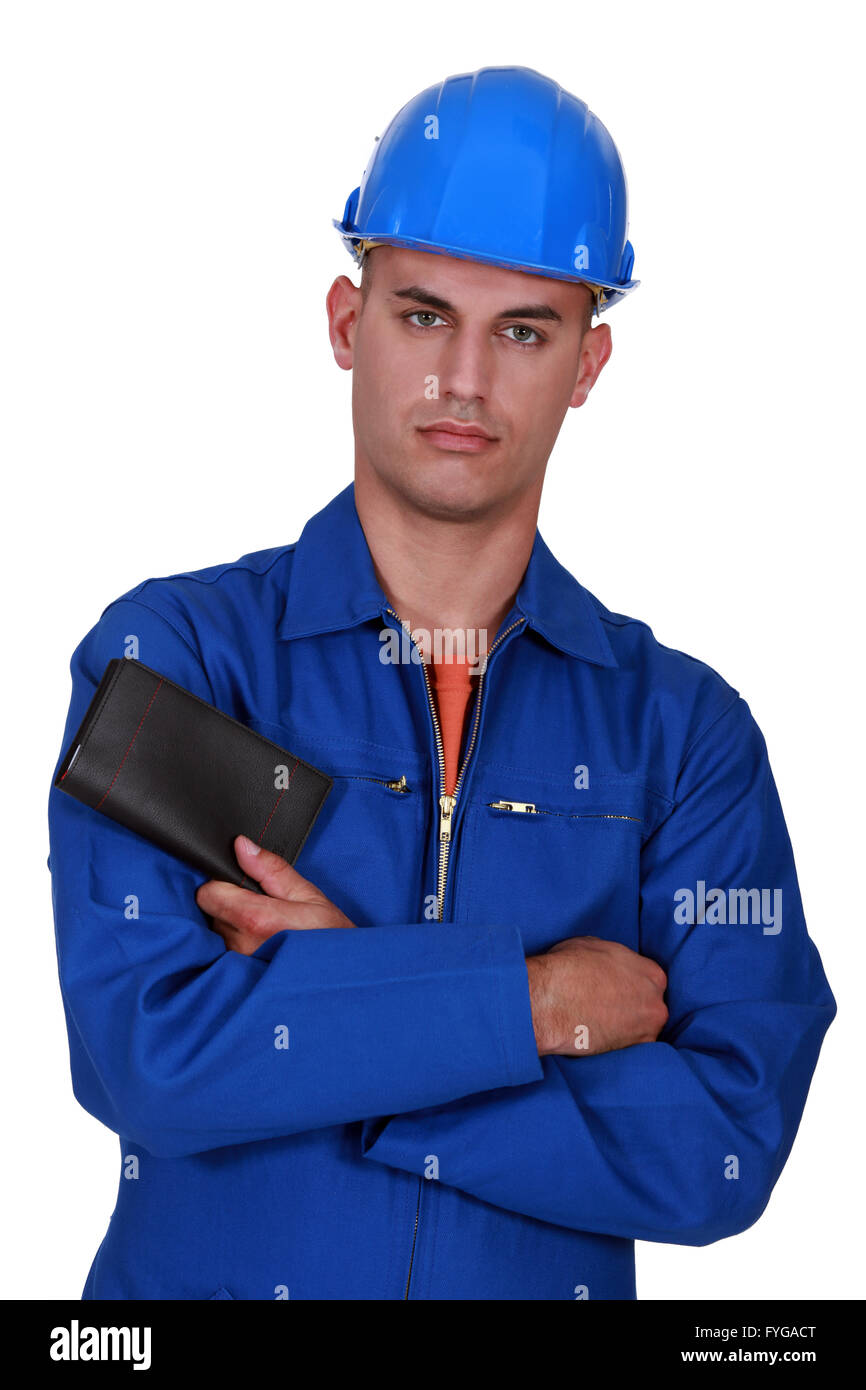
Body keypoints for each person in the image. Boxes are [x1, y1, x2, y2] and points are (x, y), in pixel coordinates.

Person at [48, 65, 835, 1302]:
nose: (463, 379)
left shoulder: (683, 739)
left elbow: (721, 1143)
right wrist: (524, 1004)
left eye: (523, 329)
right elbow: (148, 1053)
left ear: (588, 363)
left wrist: (347, 1008)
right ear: (344, 323)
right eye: (422, 315)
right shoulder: (178, 663)